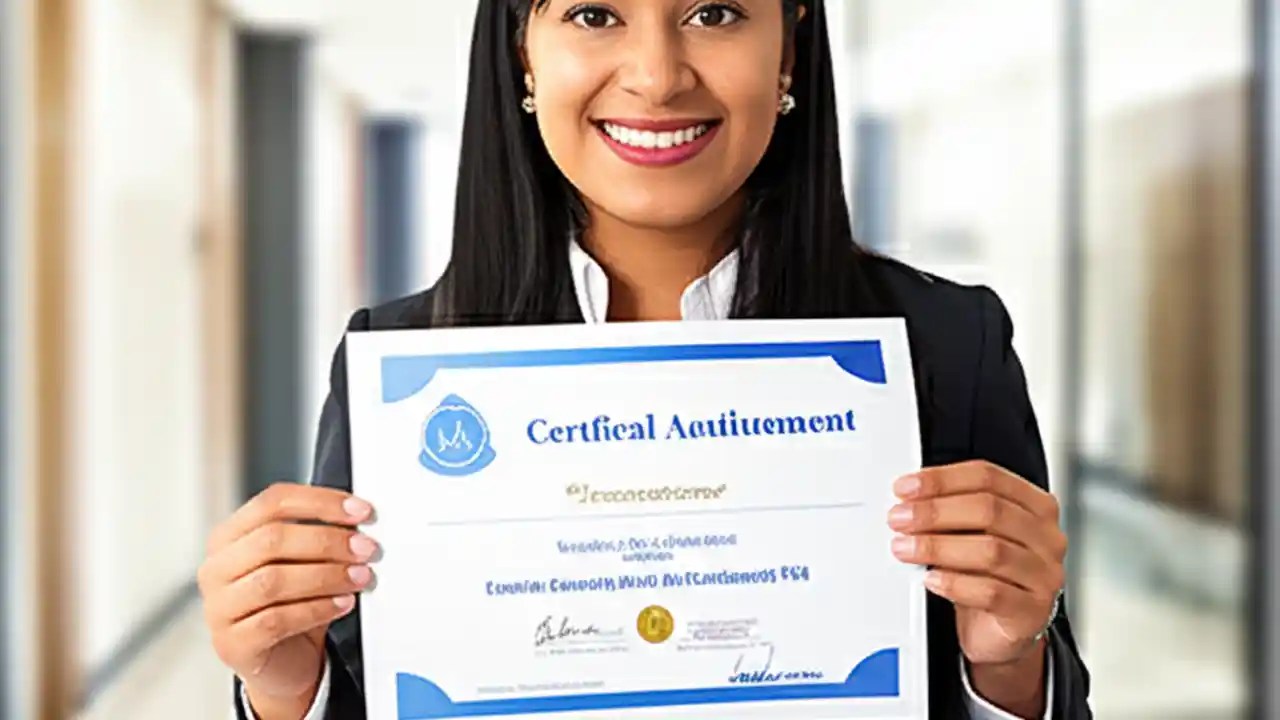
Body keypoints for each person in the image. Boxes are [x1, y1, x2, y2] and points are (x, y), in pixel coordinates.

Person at [198, 0, 1092, 717]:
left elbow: (1037, 684)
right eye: (593, 14)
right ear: (522, 54)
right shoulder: (397, 367)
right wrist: (286, 692)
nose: (659, 77)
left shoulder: (947, 343)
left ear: (789, 49)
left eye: (715, 12)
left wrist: (1009, 671)